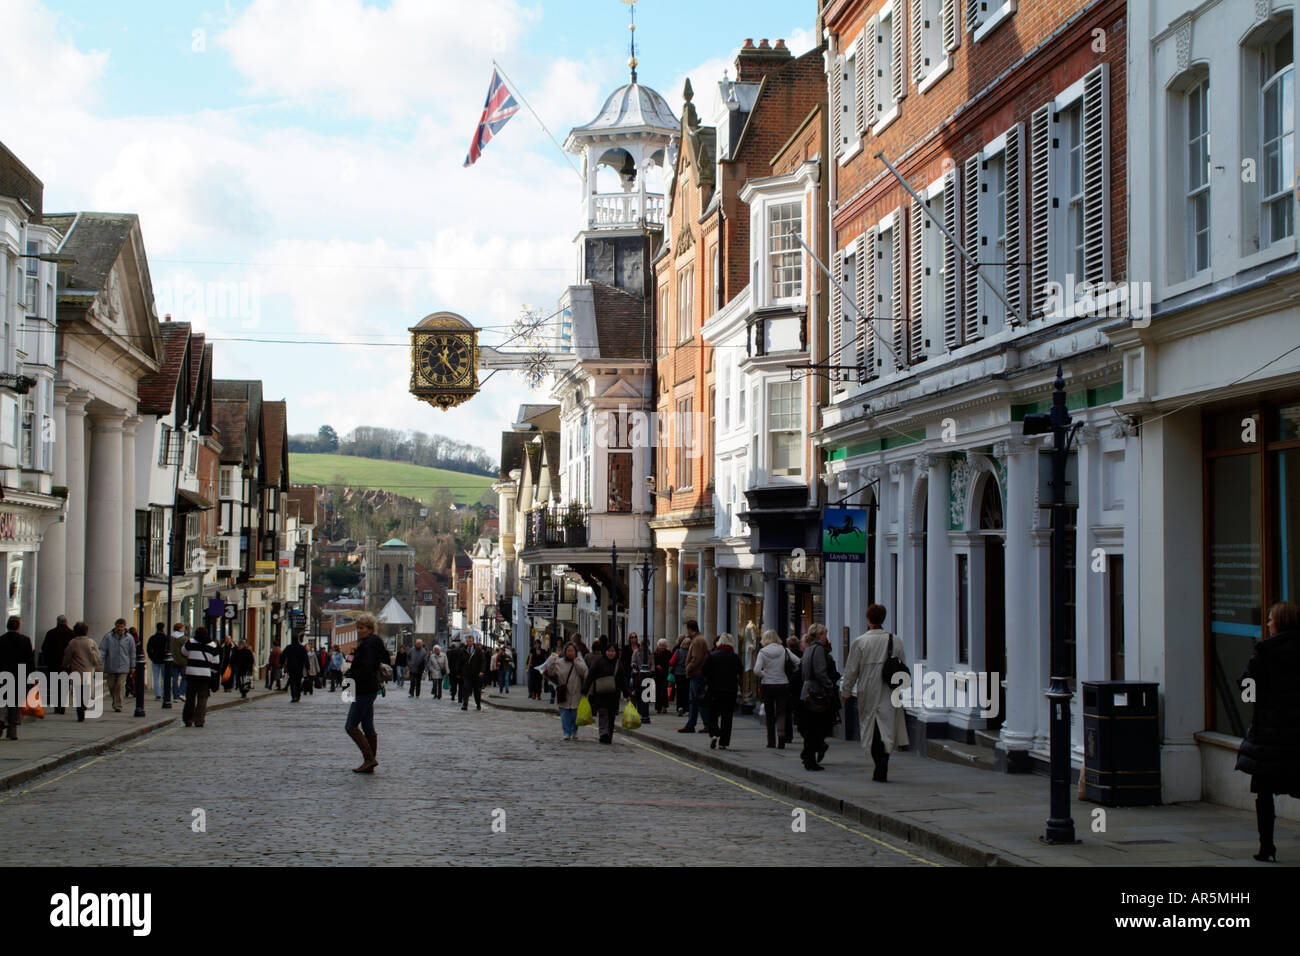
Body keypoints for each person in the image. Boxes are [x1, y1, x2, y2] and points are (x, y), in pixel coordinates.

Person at [1236, 601, 1300, 862]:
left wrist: (1257, 695)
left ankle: (1267, 846)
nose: (1268, 623)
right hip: (1297, 733)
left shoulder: (1265, 652)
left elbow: (1246, 687)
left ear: (1280, 622)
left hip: (1270, 733)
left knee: (1264, 792)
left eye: (1271, 619)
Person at [841, 604, 910, 783]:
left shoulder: (860, 642)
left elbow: (851, 670)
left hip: (868, 689)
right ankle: (883, 761)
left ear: (868, 619)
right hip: (889, 690)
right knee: (887, 727)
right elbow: (902, 664)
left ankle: (878, 762)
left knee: (870, 727)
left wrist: (845, 691)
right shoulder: (896, 640)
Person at [344, 614, 390, 773]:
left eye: (361, 628)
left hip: (363, 688)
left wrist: (350, 676)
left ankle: (369, 758)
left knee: (351, 726)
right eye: (357, 628)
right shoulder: (371, 643)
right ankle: (369, 762)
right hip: (368, 687)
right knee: (368, 726)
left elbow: (366, 667)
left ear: (370, 629)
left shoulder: (369, 644)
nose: (358, 631)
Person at [751, 629, 798, 749]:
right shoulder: (784, 650)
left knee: (770, 713)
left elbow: (756, 670)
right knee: (781, 712)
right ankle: (782, 739)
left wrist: (764, 674)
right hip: (783, 684)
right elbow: (798, 662)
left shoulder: (763, 652)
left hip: (768, 685)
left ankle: (771, 741)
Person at [798, 624, 835, 772]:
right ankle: (810, 759)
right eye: (825, 634)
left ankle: (808, 757)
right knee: (817, 728)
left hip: (806, 691)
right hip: (816, 693)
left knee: (810, 728)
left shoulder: (808, 649)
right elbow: (820, 672)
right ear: (819, 635)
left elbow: (803, 672)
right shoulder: (818, 649)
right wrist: (829, 685)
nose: (826, 637)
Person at [703, 634, 743, 750]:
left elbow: (704, 671)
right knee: (727, 717)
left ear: (719, 643)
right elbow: (740, 671)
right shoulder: (734, 657)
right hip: (730, 691)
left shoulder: (713, 656)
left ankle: (714, 733)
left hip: (714, 690)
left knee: (713, 714)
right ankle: (723, 742)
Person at [583, 641, 625, 745]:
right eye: (609, 651)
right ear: (605, 652)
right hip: (601, 694)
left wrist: (627, 693)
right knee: (603, 714)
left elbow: (622, 680)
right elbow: (590, 677)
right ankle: (603, 734)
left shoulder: (618, 664)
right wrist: (585, 690)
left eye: (613, 651)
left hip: (614, 695)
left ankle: (609, 734)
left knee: (611, 716)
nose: (611, 653)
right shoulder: (599, 662)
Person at [0, 616, 35, 739]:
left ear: (7, 626)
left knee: (3, 700)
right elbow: (30, 661)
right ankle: (12, 731)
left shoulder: (1, 640)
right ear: (18, 626)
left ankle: (1, 719)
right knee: (15, 703)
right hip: (20, 675)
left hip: (3, 675)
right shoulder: (25, 640)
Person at [545, 642, 588, 740]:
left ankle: (574, 731)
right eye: (568, 651)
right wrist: (552, 660)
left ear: (575, 652)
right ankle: (566, 732)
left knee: (574, 714)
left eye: (572, 651)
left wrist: (576, 662)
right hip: (563, 693)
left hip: (576, 692)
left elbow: (584, 672)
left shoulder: (579, 661)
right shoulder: (559, 662)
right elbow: (551, 673)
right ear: (565, 652)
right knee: (565, 715)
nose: (570, 653)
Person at [181, 626, 220, 728]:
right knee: (202, 699)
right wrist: (213, 674)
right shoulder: (212, 645)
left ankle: (188, 719)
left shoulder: (191, 642)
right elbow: (216, 663)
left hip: (191, 674)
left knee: (190, 698)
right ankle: (199, 720)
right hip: (205, 675)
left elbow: (183, 652)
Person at [678, 621, 711, 734]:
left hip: (697, 674)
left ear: (690, 629)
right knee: (696, 700)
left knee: (697, 700)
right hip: (698, 674)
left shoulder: (697, 641)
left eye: (687, 629)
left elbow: (697, 658)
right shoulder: (698, 639)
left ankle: (703, 724)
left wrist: (688, 668)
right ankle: (692, 724)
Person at [62, 622, 99, 721]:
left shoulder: (73, 642)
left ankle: (80, 712)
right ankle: (84, 705)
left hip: (77, 670)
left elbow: (67, 655)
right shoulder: (91, 642)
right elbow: (97, 655)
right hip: (88, 670)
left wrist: (65, 665)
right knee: (86, 690)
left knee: (78, 692)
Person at [99, 619, 134, 713]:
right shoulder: (108, 637)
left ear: (124, 627)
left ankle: (118, 705)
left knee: (119, 685)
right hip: (111, 665)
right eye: (118, 626)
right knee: (111, 685)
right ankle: (115, 701)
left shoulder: (129, 638)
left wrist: (132, 666)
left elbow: (132, 653)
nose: (119, 628)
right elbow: (102, 650)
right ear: (115, 626)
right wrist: (99, 662)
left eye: (121, 626)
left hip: (124, 665)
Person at [42, 616, 75, 714]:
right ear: (66, 622)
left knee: (55, 685)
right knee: (65, 685)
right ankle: (62, 706)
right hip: (67, 665)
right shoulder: (72, 634)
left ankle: (57, 706)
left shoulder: (51, 633)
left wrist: (48, 661)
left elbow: (44, 648)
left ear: (57, 622)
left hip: (53, 664)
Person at [627, 633, 654, 724]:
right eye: (644, 644)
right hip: (637, 675)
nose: (646, 646)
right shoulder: (636, 652)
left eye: (647, 644)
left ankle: (644, 711)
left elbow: (652, 664)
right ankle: (638, 710)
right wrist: (636, 669)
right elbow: (633, 663)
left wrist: (651, 671)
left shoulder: (650, 653)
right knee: (637, 693)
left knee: (646, 694)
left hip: (647, 675)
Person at [785, 636, 804, 744]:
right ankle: (802, 730)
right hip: (799, 685)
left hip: (788, 684)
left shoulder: (786, 655)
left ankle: (788, 735)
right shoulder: (802, 654)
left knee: (787, 711)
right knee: (799, 709)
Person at [460, 635, 486, 710]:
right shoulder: (463, 650)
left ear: (473, 641)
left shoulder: (478, 650)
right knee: (466, 689)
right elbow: (460, 662)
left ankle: (478, 704)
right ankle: (465, 704)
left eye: (470, 641)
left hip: (476, 674)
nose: (469, 643)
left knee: (477, 690)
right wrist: (460, 672)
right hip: (467, 674)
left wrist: (482, 671)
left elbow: (483, 661)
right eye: (468, 641)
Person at [281, 635, 309, 702]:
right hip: (299, 667)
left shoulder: (289, 647)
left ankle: (294, 696)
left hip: (291, 667)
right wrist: (308, 667)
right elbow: (306, 658)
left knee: (292, 681)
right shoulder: (301, 648)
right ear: (298, 640)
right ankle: (298, 696)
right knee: (298, 682)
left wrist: (281, 663)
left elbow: (283, 655)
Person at [146, 623, 169, 701]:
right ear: (163, 628)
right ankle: (164, 693)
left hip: (155, 659)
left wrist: (151, 657)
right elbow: (169, 649)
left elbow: (148, 649)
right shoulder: (166, 638)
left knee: (155, 677)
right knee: (164, 677)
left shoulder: (152, 638)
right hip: (164, 660)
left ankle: (157, 694)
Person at [670, 634, 690, 715]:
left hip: (678, 673)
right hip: (687, 673)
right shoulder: (690, 652)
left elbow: (671, 662)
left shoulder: (677, 651)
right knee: (687, 691)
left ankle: (679, 707)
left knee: (679, 691)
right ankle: (686, 708)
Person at [169, 624, 188, 701]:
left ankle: (175, 696)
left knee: (174, 679)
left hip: (173, 661)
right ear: (180, 629)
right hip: (183, 661)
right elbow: (186, 650)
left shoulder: (171, 638)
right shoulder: (184, 639)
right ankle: (181, 693)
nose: (183, 629)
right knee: (184, 677)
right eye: (182, 627)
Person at [653, 638, 671, 714]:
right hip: (657, 674)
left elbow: (669, 663)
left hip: (665, 674)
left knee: (664, 690)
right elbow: (653, 662)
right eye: (660, 645)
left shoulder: (668, 653)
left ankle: (664, 706)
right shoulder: (655, 653)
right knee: (657, 690)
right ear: (658, 645)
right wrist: (656, 666)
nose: (662, 647)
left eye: (663, 645)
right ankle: (658, 707)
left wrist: (663, 667)